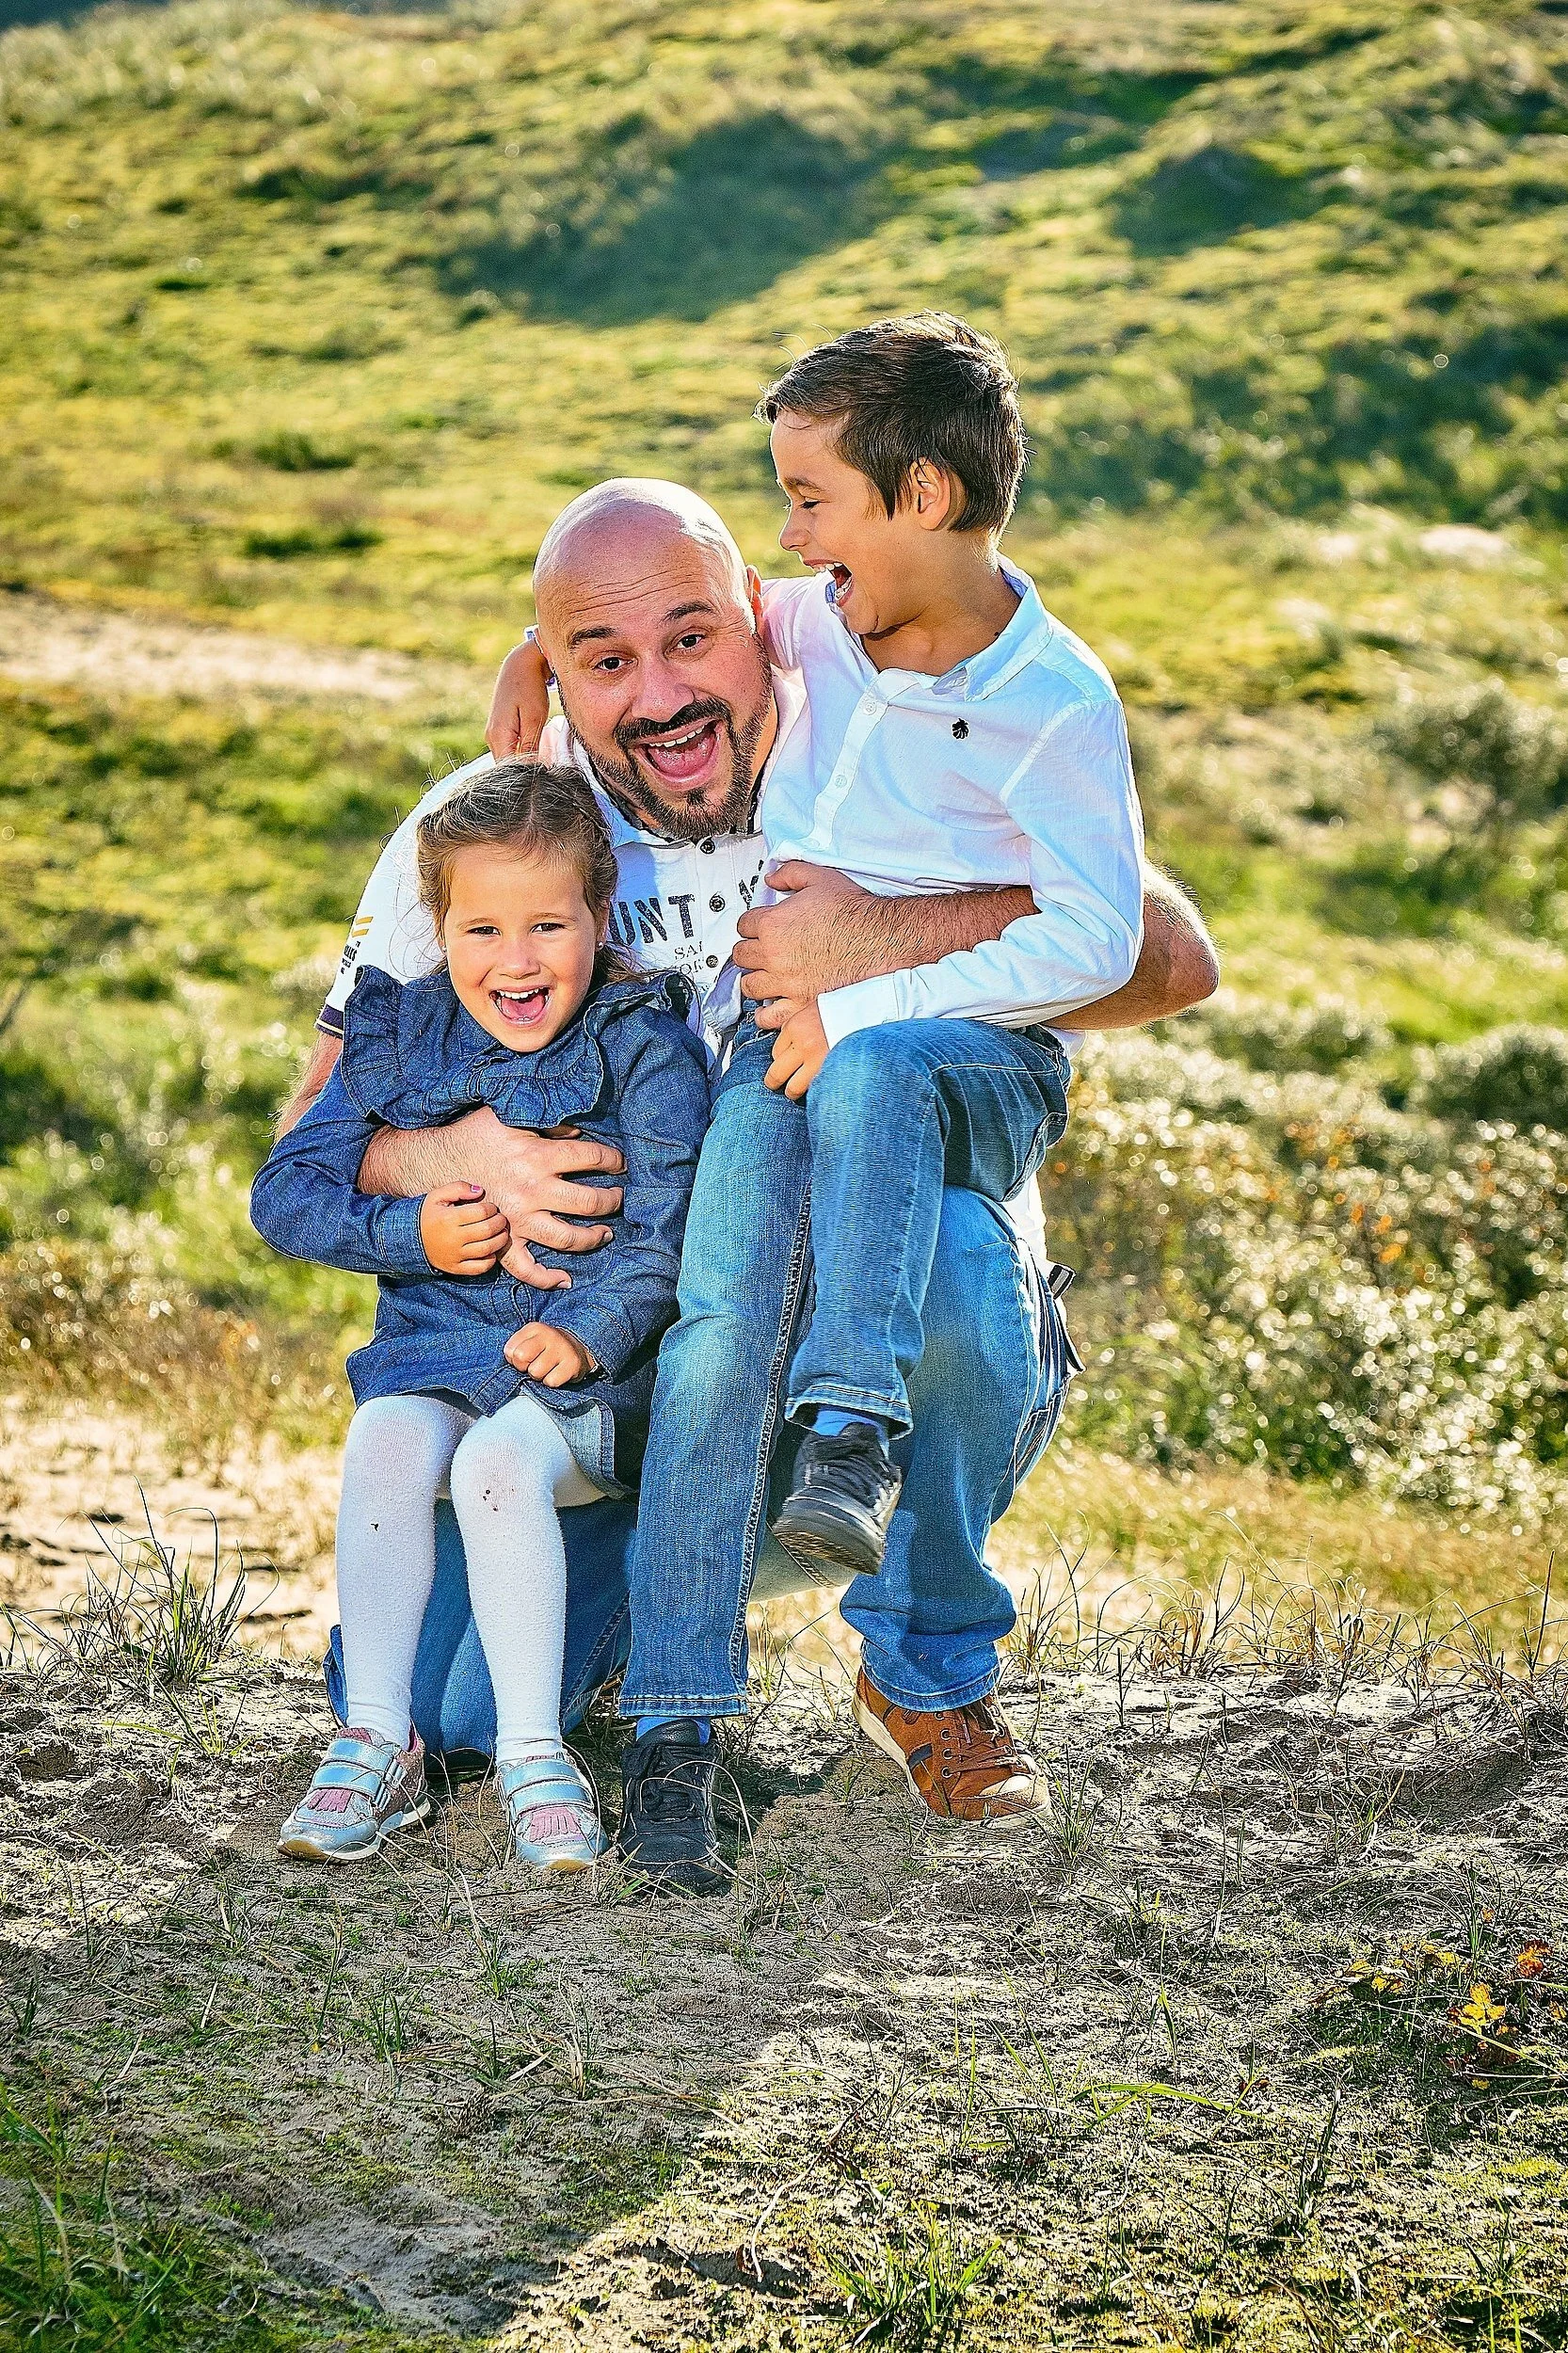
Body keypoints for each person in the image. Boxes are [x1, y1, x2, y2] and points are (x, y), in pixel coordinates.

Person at [279, 478, 1217, 1876]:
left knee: (960, 1261)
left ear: (763, 627)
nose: (658, 696)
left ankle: (926, 1669)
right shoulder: (495, 825)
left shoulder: (878, 728)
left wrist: (871, 937)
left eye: (689, 641)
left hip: (878, 1340)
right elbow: (313, 1129)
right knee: (447, 1715)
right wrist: (449, 1154)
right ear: (556, 670)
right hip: (613, 1375)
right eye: (602, 661)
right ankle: (648, 1614)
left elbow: (1169, 953)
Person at [252, 762, 710, 1869]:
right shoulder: (398, 1037)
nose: (516, 960)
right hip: (437, 1352)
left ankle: (533, 1755)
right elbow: (287, 1193)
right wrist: (412, 1234)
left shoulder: (644, 1043)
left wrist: (590, 1331)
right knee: (388, 1439)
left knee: (498, 1468)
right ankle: (373, 1735)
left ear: (601, 919)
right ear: (439, 927)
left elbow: (666, 1224)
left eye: (549, 924)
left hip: (586, 1381)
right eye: (482, 928)